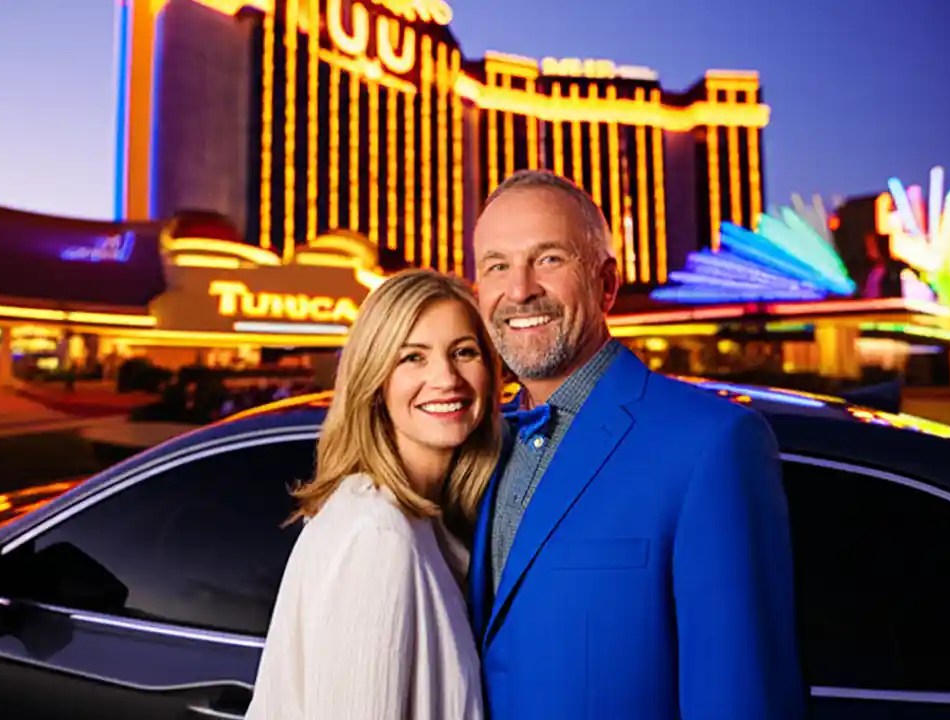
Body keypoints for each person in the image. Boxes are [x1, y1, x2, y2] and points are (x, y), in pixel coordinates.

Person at [468, 170, 806, 719]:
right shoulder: (472, 443)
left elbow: (740, 699)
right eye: (497, 265)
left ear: (606, 284)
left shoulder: (711, 445)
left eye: (549, 259)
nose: (520, 289)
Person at [247, 268, 502, 720]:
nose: (446, 378)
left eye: (463, 352)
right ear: (375, 382)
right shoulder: (378, 536)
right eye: (412, 358)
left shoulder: (423, 521)